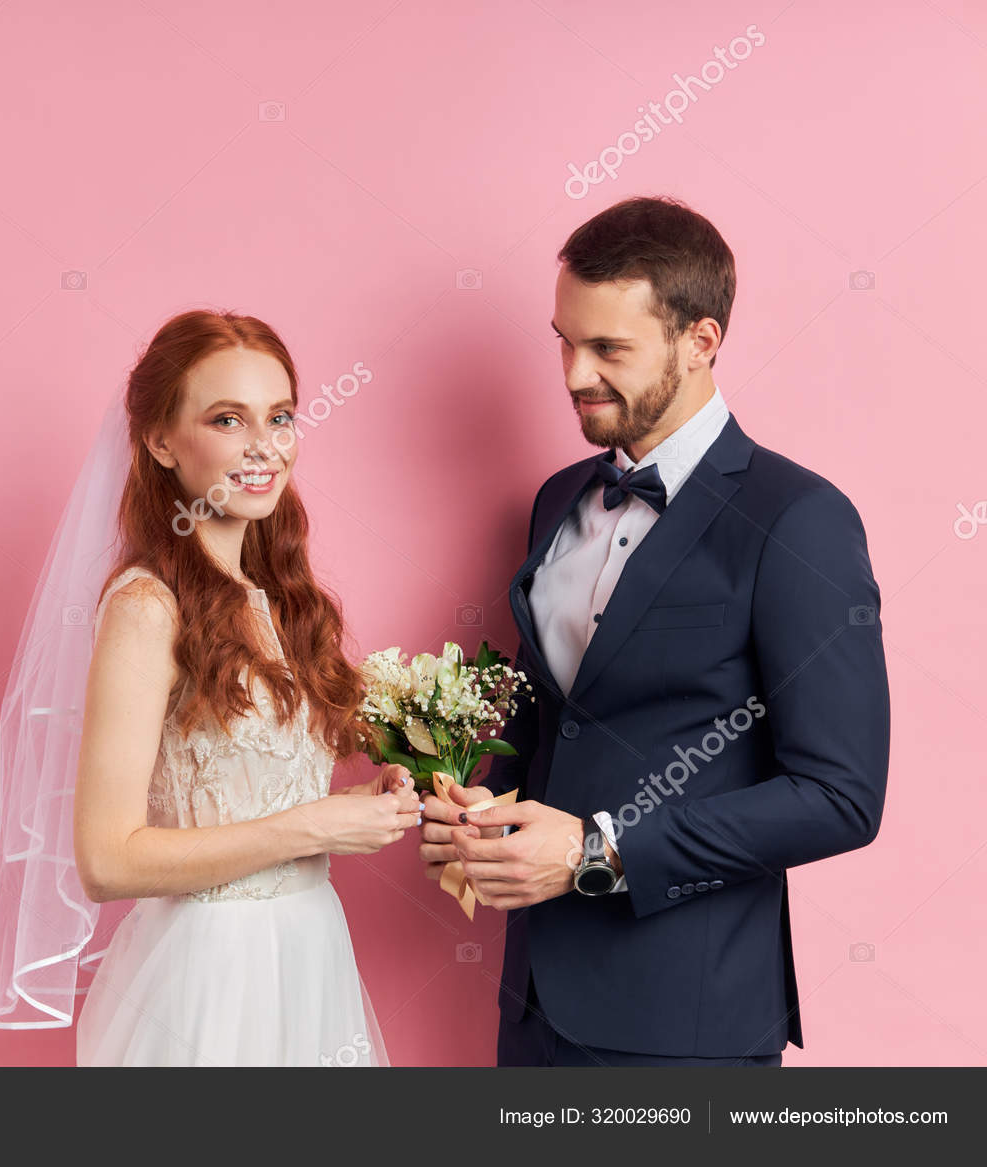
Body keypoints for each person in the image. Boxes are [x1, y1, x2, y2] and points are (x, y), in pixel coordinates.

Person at [419, 195, 889, 1066]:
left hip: (687, 1025)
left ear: (701, 343)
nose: (572, 373)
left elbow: (841, 797)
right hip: (531, 1010)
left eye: (608, 349)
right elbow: (550, 725)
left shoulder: (799, 520)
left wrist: (600, 851)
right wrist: (474, 805)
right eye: (563, 339)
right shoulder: (557, 498)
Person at [64, 309, 417, 1066]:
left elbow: (251, 794)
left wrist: (353, 809)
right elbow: (106, 859)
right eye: (228, 419)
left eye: (280, 417)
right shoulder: (145, 608)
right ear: (161, 441)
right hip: (212, 975)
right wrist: (316, 827)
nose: (264, 446)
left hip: (310, 951)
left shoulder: (277, 597)